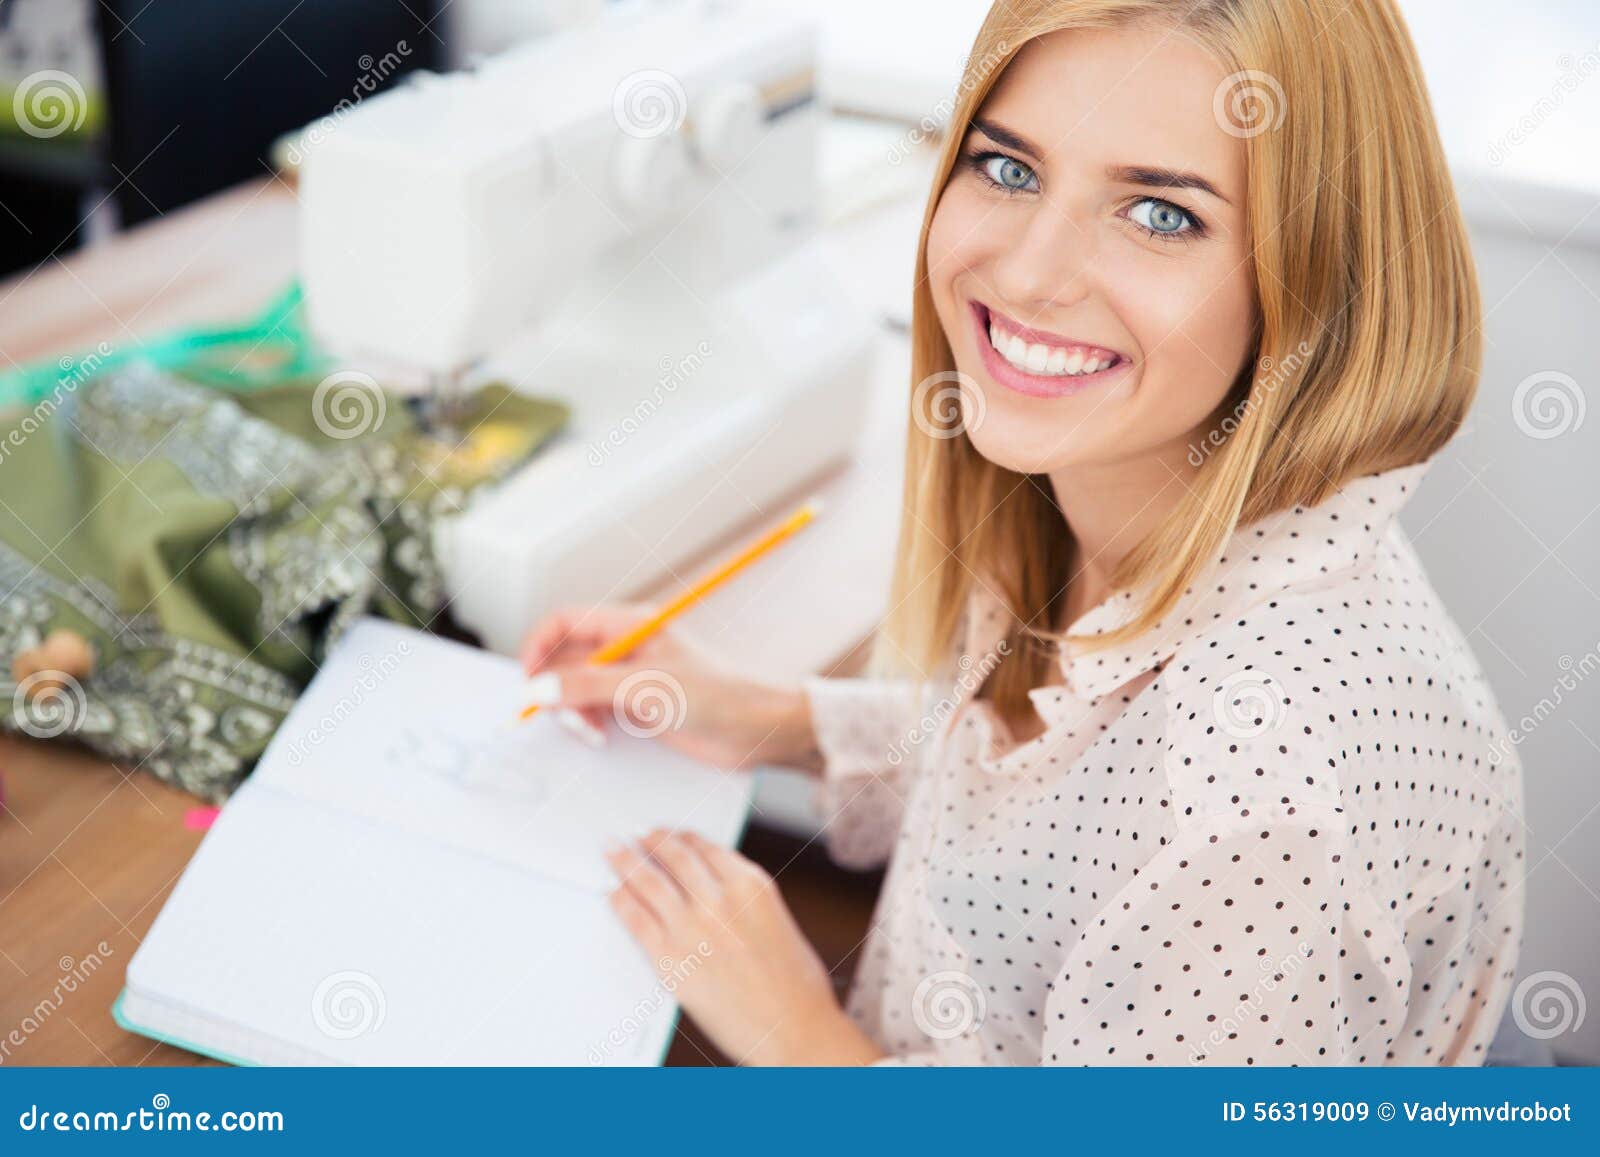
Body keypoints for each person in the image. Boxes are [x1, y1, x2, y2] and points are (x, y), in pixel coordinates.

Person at [520, 0, 1525, 1066]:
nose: (1030, 273)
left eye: (1160, 214)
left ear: (1319, 280)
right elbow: (1057, 812)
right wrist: (775, 720)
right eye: (1007, 168)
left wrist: (793, 1031)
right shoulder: (1118, 501)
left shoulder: (1261, 818)